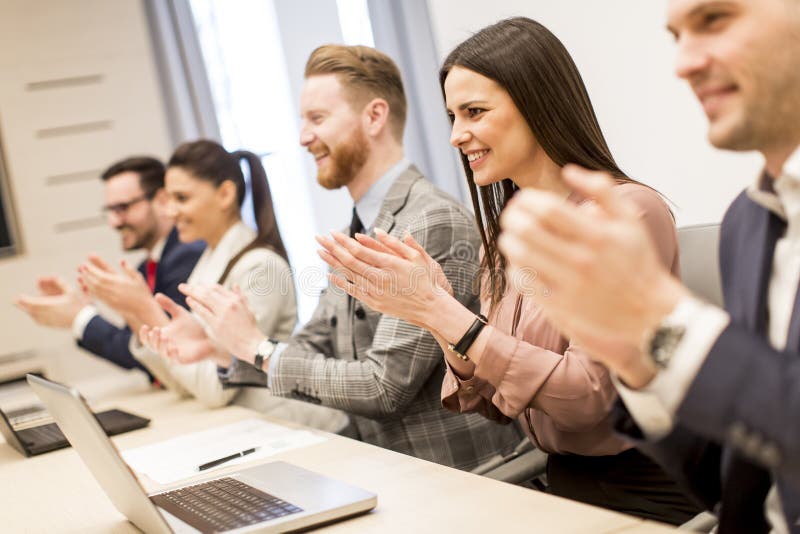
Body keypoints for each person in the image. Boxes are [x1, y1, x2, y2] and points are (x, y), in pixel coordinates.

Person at [316, 18, 700, 524]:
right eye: (453, 115)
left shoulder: (628, 214)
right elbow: (497, 403)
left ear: (538, 103)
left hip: (641, 493)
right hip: (562, 485)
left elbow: (589, 400)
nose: (456, 135)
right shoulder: (506, 236)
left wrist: (447, 315)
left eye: (474, 112)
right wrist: (437, 316)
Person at [141, 44, 521, 471]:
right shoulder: (352, 232)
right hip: (387, 472)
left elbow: (383, 387)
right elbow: (313, 343)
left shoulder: (430, 220)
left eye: (317, 119)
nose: (303, 137)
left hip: (457, 479)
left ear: (374, 116)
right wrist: (224, 349)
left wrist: (257, 347)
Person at [497, 1, 800, 531]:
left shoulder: (643, 209)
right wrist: (639, 364)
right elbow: (738, 488)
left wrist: (667, 326)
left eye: (715, 20)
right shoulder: (747, 225)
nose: (682, 63)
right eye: (676, 35)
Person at [82, 140, 297, 408]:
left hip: (289, 426)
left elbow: (217, 389)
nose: (170, 212)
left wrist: (145, 309)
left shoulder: (261, 267)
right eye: (169, 199)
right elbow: (181, 383)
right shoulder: (208, 261)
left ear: (225, 195)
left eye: (181, 198)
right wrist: (131, 311)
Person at [14, 157, 204, 378]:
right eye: (110, 211)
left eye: (122, 208)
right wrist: (81, 309)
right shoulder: (146, 268)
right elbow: (136, 347)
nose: (114, 222)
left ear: (162, 200)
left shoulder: (187, 256)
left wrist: (79, 317)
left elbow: (164, 353)